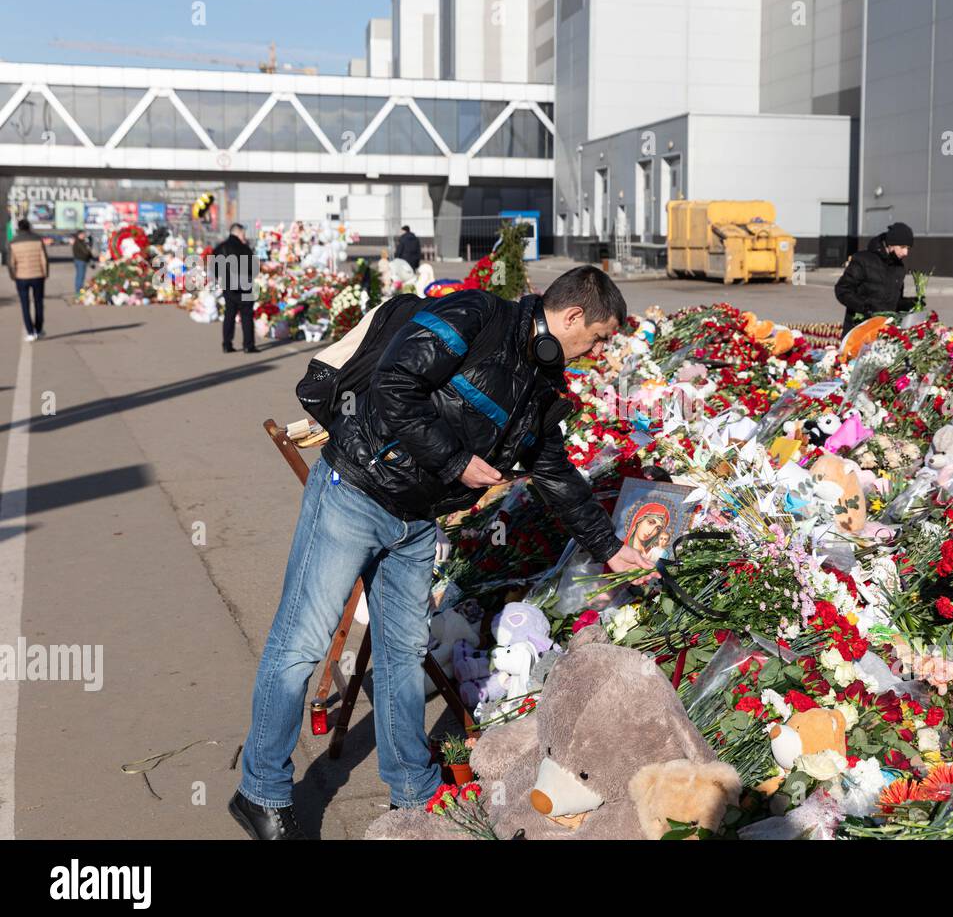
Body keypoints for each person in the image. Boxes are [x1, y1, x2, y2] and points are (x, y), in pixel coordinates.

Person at [229, 265, 656, 839]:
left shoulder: (543, 383)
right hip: (354, 492)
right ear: (573, 316)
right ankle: (261, 790)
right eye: (600, 336)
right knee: (301, 644)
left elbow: (552, 471)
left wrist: (610, 547)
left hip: (416, 520)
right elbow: (393, 382)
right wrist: (455, 460)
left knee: (404, 652)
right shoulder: (476, 316)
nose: (598, 349)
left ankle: (413, 787)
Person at [834, 222, 914, 336]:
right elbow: (842, 289)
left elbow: (894, 301)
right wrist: (865, 308)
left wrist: (909, 303)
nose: (906, 252)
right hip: (858, 330)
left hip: (884, 332)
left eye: (908, 248)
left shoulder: (899, 268)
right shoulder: (863, 260)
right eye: (902, 247)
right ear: (890, 244)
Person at [210, 223, 260, 354]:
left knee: (229, 315)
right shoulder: (244, 248)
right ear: (237, 233)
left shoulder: (221, 247)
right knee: (247, 315)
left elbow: (214, 266)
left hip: (228, 286)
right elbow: (254, 268)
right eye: (243, 233)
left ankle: (227, 344)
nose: (244, 236)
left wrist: (221, 277)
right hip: (245, 286)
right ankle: (248, 345)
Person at [7, 219, 49, 342]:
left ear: (19, 228)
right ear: (29, 227)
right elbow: (44, 259)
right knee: (38, 302)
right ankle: (39, 330)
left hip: (21, 277)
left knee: (25, 305)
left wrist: (13, 275)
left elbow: (11, 262)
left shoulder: (13, 242)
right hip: (38, 276)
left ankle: (30, 332)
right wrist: (45, 273)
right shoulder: (38, 239)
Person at [71, 229, 95, 294]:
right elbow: (86, 252)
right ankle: (78, 291)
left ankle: (79, 290)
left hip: (81, 260)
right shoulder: (79, 242)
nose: (84, 235)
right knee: (80, 276)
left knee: (80, 276)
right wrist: (89, 247)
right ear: (79, 235)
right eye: (82, 234)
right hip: (80, 261)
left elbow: (87, 251)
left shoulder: (81, 241)